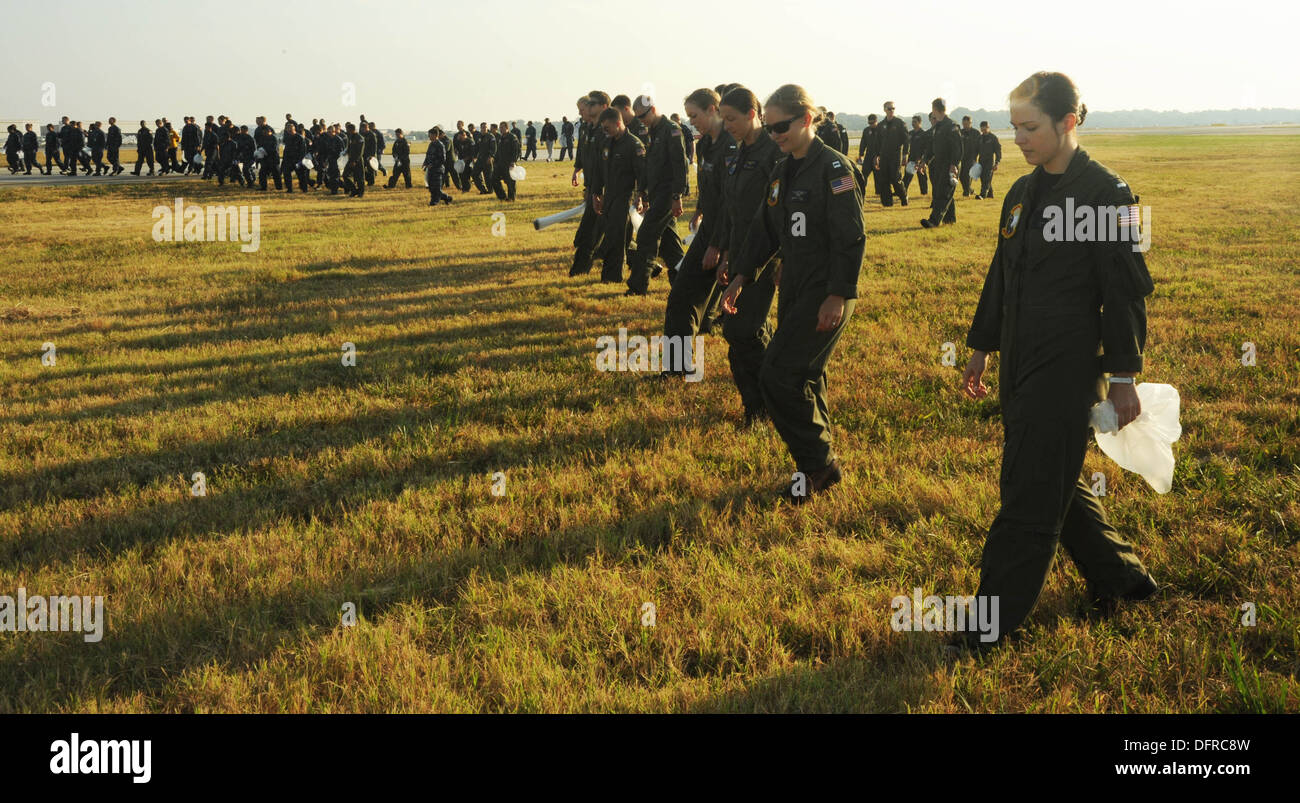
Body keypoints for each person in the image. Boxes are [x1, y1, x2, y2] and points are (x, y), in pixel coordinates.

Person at [954, 70, 1157, 655]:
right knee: (1053, 479)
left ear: (1070, 121)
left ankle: (986, 629)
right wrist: (981, 346)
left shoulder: (1108, 195)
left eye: (1031, 127)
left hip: (1067, 366)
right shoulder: (1020, 193)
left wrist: (1123, 379)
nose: (1019, 138)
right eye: (1013, 126)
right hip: (1019, 358)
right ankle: (1124, 583)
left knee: (1027, 494)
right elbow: (1002, 276)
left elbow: (1125, 291)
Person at [719, 85, 865, 502]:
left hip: (826, 288)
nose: (774, 133)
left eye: (781, 126)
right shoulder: (783, 170)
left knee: (780, 375)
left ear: (806, 119)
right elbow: (765, 231)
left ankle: (818, 466)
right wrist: (741, 276)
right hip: (796, 285)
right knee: (804, 375)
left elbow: (851, 239)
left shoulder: (834, 170)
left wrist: (838, 295)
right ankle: (819, 459)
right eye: (769, 126)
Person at [711, 86, 783, 425]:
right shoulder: (740, 152)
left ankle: (761, 406)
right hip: (739, 251)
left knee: (739, 330)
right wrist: (726, 254)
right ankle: (768, 402)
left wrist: (780, 260)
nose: (727, 125)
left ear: (753, 114)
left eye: (732, 118)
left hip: (764, 256)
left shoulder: (773, 153)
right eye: (723, 119)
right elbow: (731, 208)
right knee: (749, 330)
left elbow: (776, 214)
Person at [659, 87, 737, 375]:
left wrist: (718, 245)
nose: (691, 122)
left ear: (713, 110)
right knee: (681, 296)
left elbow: (732, 200)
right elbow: (710, 189)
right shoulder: (706, 144)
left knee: (739, 318)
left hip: (725, 235)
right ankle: (678, 367)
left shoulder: (731, 146)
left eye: (695, 115)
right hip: (709, 231)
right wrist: (699, 209)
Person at [626, 95, 688, 295]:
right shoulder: (651, 131)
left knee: (646, 234)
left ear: (653, 110)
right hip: (655, 192)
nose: (640, 120)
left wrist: (677, 195)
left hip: (668, 192)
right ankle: (682, 283)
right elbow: (649, 166)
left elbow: (680, 165)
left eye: (642, 115)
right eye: (637, 117)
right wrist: (642, 192)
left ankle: (638, 285)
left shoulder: (671, 130)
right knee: (670, 244)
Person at [591, 107, 646, 284]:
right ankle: (642, 264)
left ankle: (612, 277)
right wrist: (596, 193)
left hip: (626, 196)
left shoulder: (634, 144)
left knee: (616, 237)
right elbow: (599, 170)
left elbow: (642, 174)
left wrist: (640, 196)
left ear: (618, 123)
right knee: (612, 234)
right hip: (609, 196)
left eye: (607, 128)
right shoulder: (607, 143)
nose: (604, 132)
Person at [570, 94, 608, 277]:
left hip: (604, 190)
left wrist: (598, 191)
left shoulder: (605, 130)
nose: (581, 113)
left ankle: (578, 271)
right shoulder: (586, 128)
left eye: (583, 108)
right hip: (592, 186)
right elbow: (583, 153)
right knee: (603, 233)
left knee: (590, 235)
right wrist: (577, 170)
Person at [921, 99, 961, 228]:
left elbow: (957, 147)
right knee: (942, 191)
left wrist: (954, 164)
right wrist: (925, 161)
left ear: (934, 109)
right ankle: (950, 220)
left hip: (949, 164)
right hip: (939, 163)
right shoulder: (938, 126)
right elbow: (933, 147)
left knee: (943, 193)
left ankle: (933, 221)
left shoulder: (951, 125)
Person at [874, 101, 909, 207]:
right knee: (883, 179)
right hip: (884, 155)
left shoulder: (900, 123)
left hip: (895, 155)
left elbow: (906, 140)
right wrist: (876, 156)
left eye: (893, 108)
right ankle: (887, 203)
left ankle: (903, 196)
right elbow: (878, 142)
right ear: (884, 110)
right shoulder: (880, 125)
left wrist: (905, 154)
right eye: (889, 109)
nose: (891, 111)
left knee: (896, 178)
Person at [423, 127, 454, 206]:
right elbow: (428, 155)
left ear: (434, 135)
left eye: (429, 135)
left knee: (436, 188)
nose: (428, 136)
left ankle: (434, 202)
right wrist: (425, 163)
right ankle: (447, 198)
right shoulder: (431, 144)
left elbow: (442, 159)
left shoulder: (440, 145)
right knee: (431, 188)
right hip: (430, 170)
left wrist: (432, 165)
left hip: (437, 170)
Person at [491, 120, 520, 201]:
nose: (501, 129)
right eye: (500, 128)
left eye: (502, 127)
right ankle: (502, 196)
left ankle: (511, 198)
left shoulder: (512, 137)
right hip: (500, 163)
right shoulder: (501, 138)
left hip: (509, 163)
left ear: (507, 128)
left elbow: (517, 150)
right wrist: (495, 161)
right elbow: (498, 151)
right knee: (494, 179)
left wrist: (513, 162)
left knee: (510, 182)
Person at [254, 116, 283, 190]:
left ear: (269, 131)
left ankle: (279, 187)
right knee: (262, 173)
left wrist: (265, 150)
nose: (264, 133)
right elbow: (259, 145)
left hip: (273, 158)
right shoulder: (262, 136)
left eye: (265, 132)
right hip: (265, 158)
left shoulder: (273, 138)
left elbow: (274, 148)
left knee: (276, 173)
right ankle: (263, 187)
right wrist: (259, 152)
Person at [903, 115, 929, 197]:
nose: (913, 123)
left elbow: (926, 148)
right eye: (912, 122)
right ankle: (903, 191)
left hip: (920, 159)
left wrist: (922, 159)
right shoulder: (910, 134)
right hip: (911, 158)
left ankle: (924, 192)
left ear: (919, 122)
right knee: (907, 177)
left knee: (922, 177)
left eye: (915, 122)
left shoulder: (923, 134)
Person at [976, 120, 1002, 199]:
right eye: (982, 129)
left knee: (987, 178)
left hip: (990, 161)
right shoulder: (979, 138)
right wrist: (974, 159)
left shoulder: (993, 138)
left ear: (988, 128)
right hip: (981, 161)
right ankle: (990, 194)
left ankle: (982, 195)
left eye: (985, 129)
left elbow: (998, 151)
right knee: (983, 178)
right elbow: (975, 150)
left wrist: (997, 163)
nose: (983, 131)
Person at [281, 123, 309, 192]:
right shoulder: (287, 138)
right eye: (287, 129)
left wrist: (300, 160)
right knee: (286, 173)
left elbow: (303, 150)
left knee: (301, 175)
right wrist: (284, 159)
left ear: (293, 129)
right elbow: (286, 149)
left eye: (290, 129)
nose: (289, 131)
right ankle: (289, 189)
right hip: (288, 160)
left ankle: (304, 189)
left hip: (297, 159)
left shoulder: (300, 138)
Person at [341, 122, 365, 197]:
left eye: (348, 130)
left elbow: (360, 152)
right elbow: (349, 147)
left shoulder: (359, 138)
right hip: (350, 160)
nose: (347, 131)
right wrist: (345, 153)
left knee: (359, 177)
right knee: (345, 175)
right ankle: (354, 190)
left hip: (357, 161)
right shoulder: (351, 137)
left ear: (352, 130)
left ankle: (361, 192)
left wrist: (355, 161)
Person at [959, 114, 980, 197]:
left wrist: (976, 157)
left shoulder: (976, 133)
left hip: (971, 157)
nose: (965, 126)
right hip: (961, 157)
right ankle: (969, 189)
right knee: (961, 175)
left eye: (967, 124)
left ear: (970, 123)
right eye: (964, 124)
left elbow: (979, 146)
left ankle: (966, 192)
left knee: (967, 175)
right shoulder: (960, 132)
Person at [472, 120, 495, 194]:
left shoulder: (490, 136)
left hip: (487, 159)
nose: (484, 128)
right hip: (480, 159)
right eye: (482, 127)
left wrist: (491, 157)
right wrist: (474, 157)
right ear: (480, 128)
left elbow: (494, 148)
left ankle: (490, 190)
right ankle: (482, 189)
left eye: (485, 127)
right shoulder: (478, 137)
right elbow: (476, 148)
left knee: (487, 177)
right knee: (474, 174)